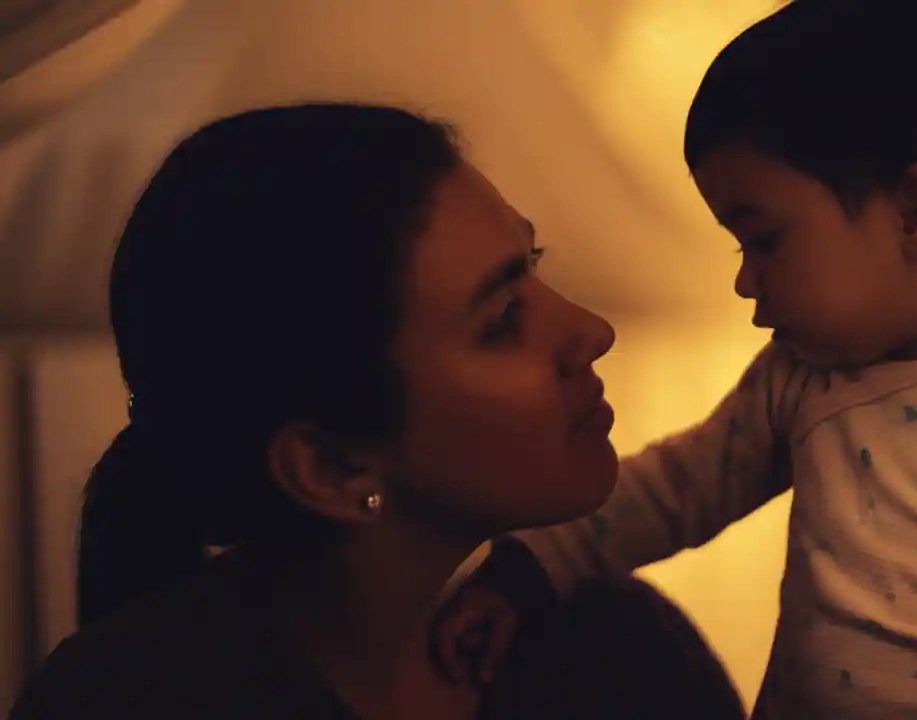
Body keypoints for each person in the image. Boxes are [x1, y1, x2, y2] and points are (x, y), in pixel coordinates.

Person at [434, 2, 917, 718]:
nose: (744, 280)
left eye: (763, 239)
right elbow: (675, 489)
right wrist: (528, 570)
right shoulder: (802, 376)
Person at [6, 103, 744, 720]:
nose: (592, 331)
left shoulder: (615, 651)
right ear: (332, 466)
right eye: (502, 319)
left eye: (536, 265)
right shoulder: (125, 702)